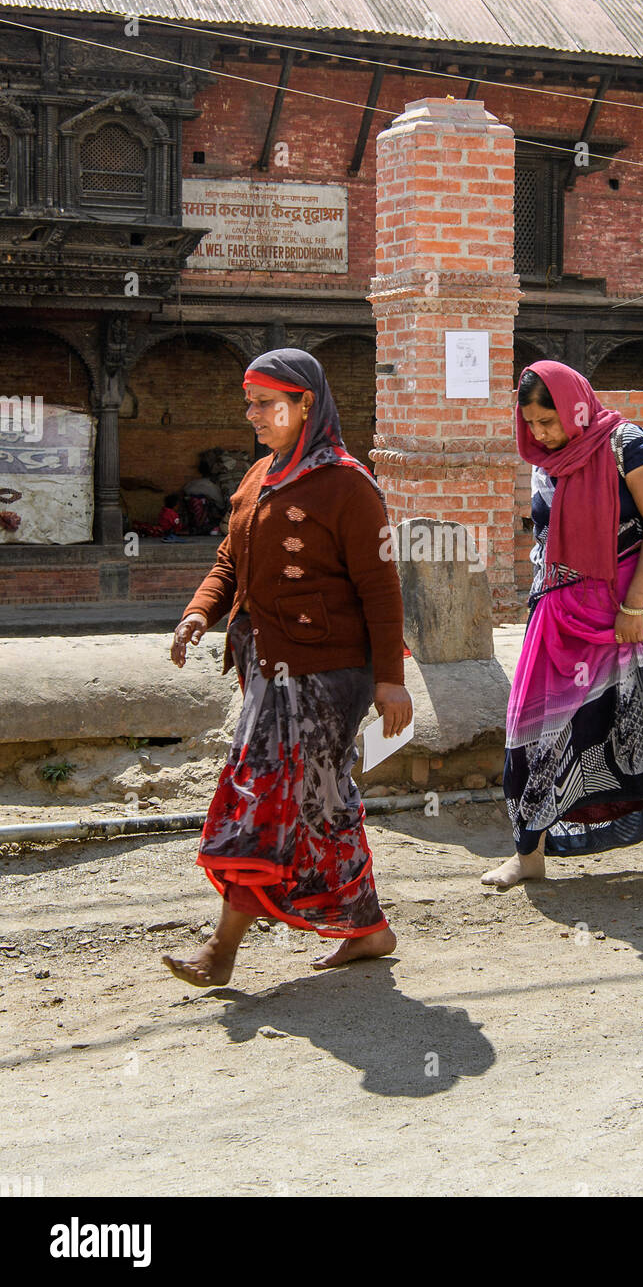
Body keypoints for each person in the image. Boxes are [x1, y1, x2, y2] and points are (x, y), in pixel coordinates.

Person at [163, 348, 412, 986]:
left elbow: (382, 590)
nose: (253, 416)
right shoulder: (258, 477)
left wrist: (390, 680)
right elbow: (228, 560)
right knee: (321, 801)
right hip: (267, 670)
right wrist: (200, 613)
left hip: (328, 676)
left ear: (306, 405)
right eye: (248, 403)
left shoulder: (349, 486)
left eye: (265, 403)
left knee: (260, 799)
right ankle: (368, 928)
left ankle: (221, 952)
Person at [482, 361, 643, 888]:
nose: (539, 434)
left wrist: (634, 606)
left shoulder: (626, 443)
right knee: (530, 724)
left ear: (576, 407)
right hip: (560, 608)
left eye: (548, 423)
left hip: (629, 605)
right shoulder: (545, 461)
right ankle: (529, 855)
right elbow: (545, 541)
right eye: (530, 424)